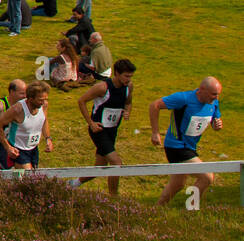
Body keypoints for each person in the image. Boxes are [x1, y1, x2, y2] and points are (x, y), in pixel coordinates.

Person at [150, 77, 224, 207]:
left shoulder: (214, 103)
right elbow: (154, 105)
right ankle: (191, 209)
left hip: (190, 147)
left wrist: (216, 124)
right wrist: (155, 132)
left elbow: (214, 120)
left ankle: (155, 209)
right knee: (206, 177)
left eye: (218, 94)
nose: (216, 98)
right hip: (176, 146)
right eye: (213, 94)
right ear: (202, 90)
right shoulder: (183, 99)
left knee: (177, 184)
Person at [73, 59, 136, 196]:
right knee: (116, 163)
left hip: (112, 130)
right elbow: (81, 101)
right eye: (126, 76)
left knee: (100, 168)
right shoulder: (103, 87)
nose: (128, 79)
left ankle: (73, 184)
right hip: (99, 130)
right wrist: (91, 123)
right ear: (117, 74)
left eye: (130, 76)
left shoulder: (129, 87)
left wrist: (127, 111)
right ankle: (113, 197)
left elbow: (129, 102)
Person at [0, 80, 53, 170]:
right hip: (18, 149)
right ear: (30, 99)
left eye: (45, 99)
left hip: (33, 148)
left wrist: (48, 139)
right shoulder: (17, 109)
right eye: (40, 100)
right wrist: (8, 147)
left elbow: (44, 120)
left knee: (33, 176)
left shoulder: (43, 105)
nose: (43, 102)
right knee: (27, 178)